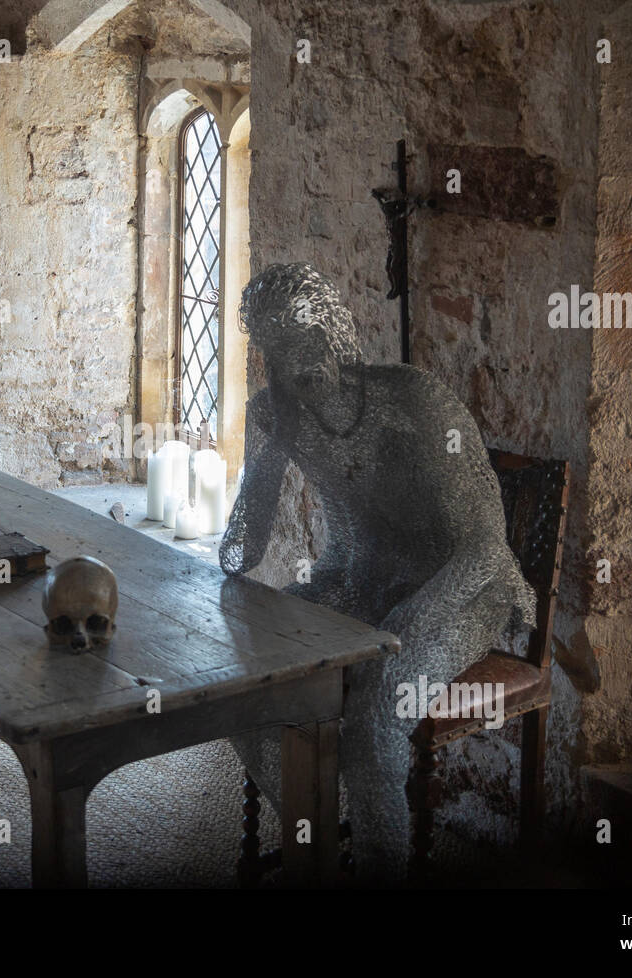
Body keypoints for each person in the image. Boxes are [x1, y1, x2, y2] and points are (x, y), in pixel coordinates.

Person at [221, 263, 534, 881]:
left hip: (462, 587)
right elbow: (239, 551)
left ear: (335, 335)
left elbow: (485, 546)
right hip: (356, 582)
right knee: (244, 683)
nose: (295, 366)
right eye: (276, 353)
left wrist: (404, 623)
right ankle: (318, 846)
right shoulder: (276, 415)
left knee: (376, 712)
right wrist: (270, 450)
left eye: (305, 344)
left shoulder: (411, 403)